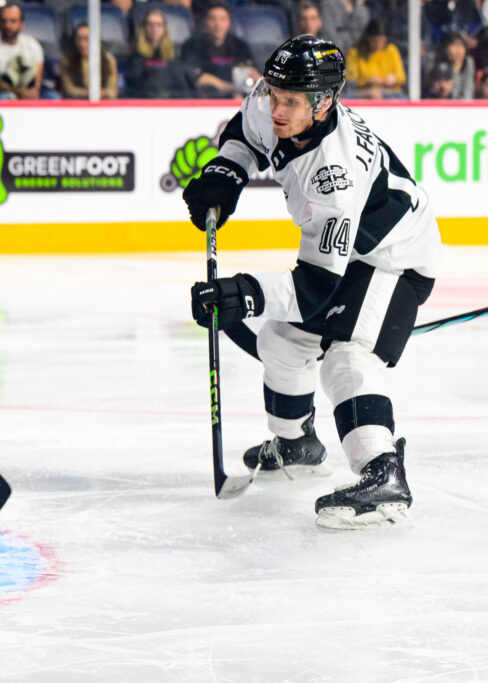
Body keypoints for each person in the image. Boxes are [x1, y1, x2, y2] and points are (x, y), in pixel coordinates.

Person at [182, 35, 441, 529]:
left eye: (290, 102)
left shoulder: (333, 178)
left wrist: (244, 293)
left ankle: (383, 472)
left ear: (323, 103)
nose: (276, 108)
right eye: (273, 94)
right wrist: (226, 172)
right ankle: (297, 445)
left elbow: (315, 288)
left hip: (395, 259)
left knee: (347, 356)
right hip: (350, 254)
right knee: (282, 340)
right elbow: (246, 130)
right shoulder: (278, 98)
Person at [181, 0, 258, 97]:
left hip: (237, 100)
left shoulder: (239, 45)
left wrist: (255, 77)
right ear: (205, 22)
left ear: (229, 22)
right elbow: (198, 78)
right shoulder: (192, 45)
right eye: (212, 19)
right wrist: (228, 88)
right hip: (205, 100)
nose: (218, 24)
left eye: (222, 19)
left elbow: (250, 70)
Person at [0, 4, 48, 100]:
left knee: (52, 97)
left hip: (28, 93)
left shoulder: (32, 44)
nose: (8, 25)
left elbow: (37, 78)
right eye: (4, 21)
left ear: (22, 25)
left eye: (13, 21)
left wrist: (31, 92)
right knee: (5, 98)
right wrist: (20, 92)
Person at [124, 9, 193, 98]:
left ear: (164, 29)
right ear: (144, 28)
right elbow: (132, 86)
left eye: (159, 25)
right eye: (150, 25)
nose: (154, 29)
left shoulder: (172, 56)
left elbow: (180, 86)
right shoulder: (136, 57)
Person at [345, 19, 406, 98]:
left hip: (388, 90)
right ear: (368, 38)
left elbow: (401, 76)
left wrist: (392, 79)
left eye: (382, 41)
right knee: (374, 93)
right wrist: (367, 80)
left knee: (400, 96)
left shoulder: (391, 50)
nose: (378, 44)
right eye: (375, 41)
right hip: (364, 92)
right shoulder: (356, 52)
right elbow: (351, 81)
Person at [60, 23, 119, 99]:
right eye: (79, 39)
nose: (82, 44)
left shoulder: (109, 60)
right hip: (76, 105)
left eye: (86, 39)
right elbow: (69, 90)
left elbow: (112, 91)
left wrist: (104, 93)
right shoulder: (67, 62)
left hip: (103, 104)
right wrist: (92, 93)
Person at [440, 32, 477, 98]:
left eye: (461, 45)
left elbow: (468, 91)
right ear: (445, 49)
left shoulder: (468, 62)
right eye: (454, 45)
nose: (458, 50)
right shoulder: (441, 67)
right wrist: (455, 69)